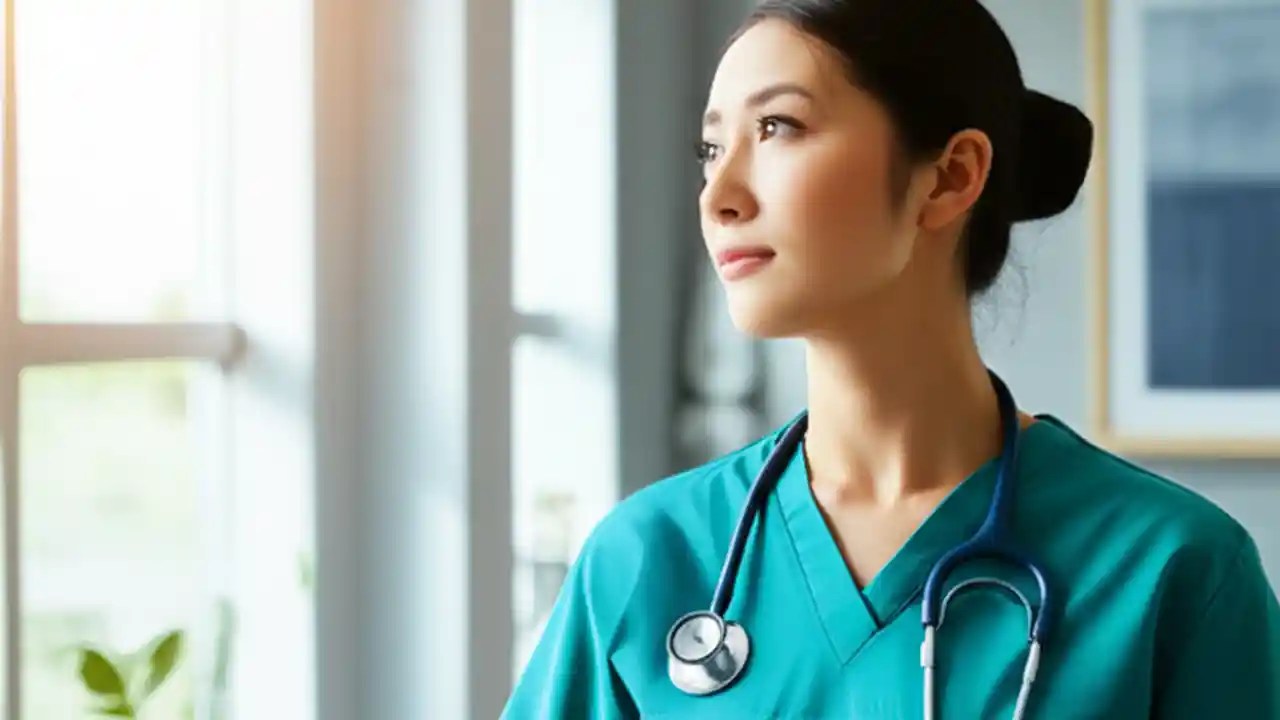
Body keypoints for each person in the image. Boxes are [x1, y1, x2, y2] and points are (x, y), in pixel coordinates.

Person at [501, 0, 1280, 717]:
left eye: (777, 127)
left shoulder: (1172, 573)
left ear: (949, 177)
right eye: (712, 148)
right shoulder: (649, 557)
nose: (719, 195)